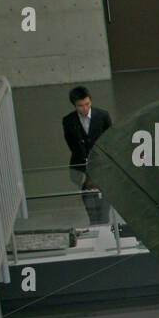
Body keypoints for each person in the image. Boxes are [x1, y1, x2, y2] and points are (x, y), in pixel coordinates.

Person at [62, 86, 112, 224]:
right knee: (89, 202)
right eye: (80, 106)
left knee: (104, 204)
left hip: (101, 166)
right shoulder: (68, 121)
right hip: (82, 169)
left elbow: (110, 139)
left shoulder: (102, 116)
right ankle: (94, 223)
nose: (84, 108)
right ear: (74, 105)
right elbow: (72, 144)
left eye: (87, 104)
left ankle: (103, 225)